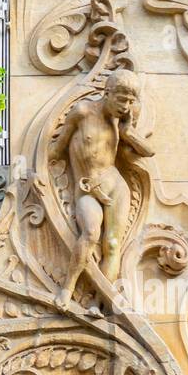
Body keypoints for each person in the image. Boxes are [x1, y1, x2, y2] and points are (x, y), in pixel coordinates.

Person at [49, 69, 154, 306]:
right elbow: (56, 150)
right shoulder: (82, 112)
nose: (126, 106)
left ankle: (99, 303)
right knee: (91, 234)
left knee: (113, 244)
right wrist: (38, 177)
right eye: (122, 99)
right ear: (107, 93)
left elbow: (148, 151)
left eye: (131, 101)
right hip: (87, 187)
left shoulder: (122, 121)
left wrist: (127, 132)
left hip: (116, 185)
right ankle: (67, 288)